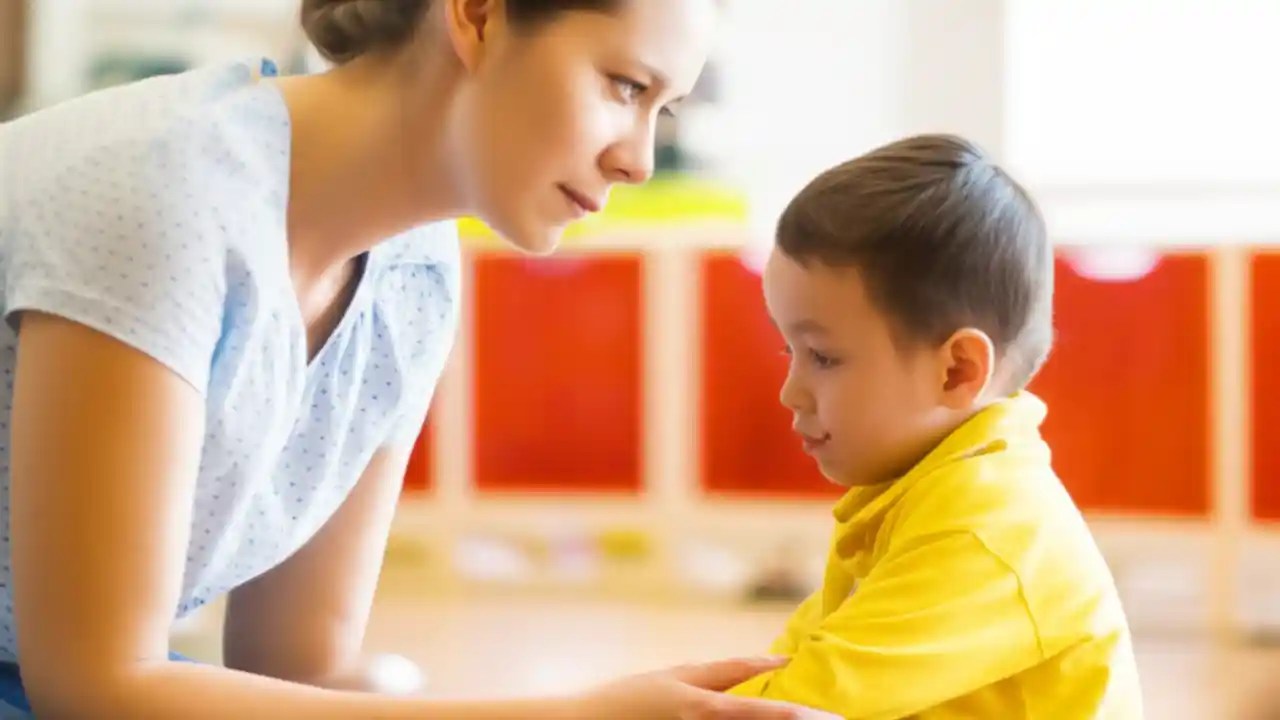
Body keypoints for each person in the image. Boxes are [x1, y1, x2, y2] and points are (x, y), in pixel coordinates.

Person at [0, 1, 827, 717]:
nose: (639, 160)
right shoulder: (165, 196)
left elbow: (299, 664)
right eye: (625, 86)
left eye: (665, 110)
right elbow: (96, 688)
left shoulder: (415, 275)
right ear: (475, 14)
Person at [725, 134, 1145, 717]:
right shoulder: (916, 493)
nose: (790, 391)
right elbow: (784, 673)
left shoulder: (983, 531)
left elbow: (800, 705)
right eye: (787, 352)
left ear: (956, 371)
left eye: (822, 357)